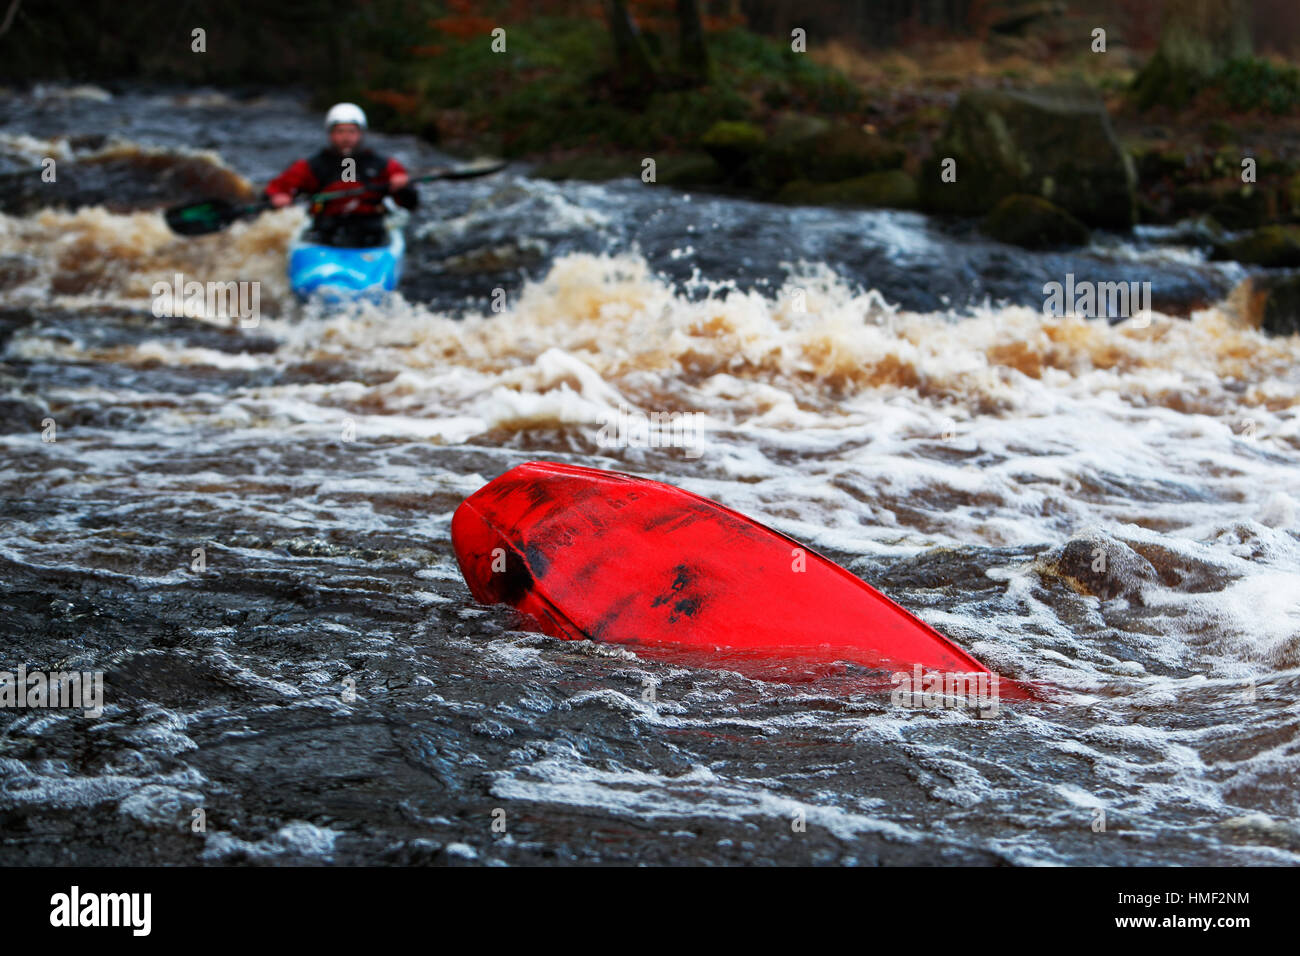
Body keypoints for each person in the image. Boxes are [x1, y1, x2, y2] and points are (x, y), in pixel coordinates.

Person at [265, 103, 417, 248]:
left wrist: (403, 187)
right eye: (340, 131)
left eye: (351, 131)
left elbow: (410, 203)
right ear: (330, 134)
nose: (346, 138)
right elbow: (277, 188)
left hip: (371, 233)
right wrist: (279, 196)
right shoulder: (311, 166)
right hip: (325, 233)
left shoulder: (383, 165)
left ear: (361, 133)